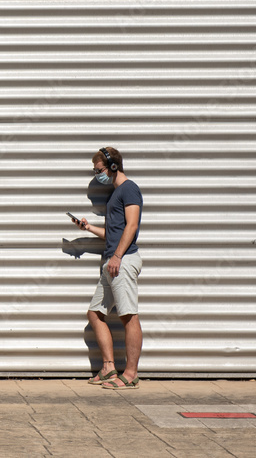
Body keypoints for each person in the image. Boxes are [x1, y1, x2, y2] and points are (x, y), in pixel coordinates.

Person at [72, 147, 143, 390]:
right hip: (111, 261)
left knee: (128, 316)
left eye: (98, 170)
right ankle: (109, 367)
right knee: (94, 313)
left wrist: (117, 256)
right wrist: (89, 228)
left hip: (122, 261)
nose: (96, 174)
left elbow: (131, 226)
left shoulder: (129, 188)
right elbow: (113, 233)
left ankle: (131, 373)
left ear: (113, 167)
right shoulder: (114, 195)